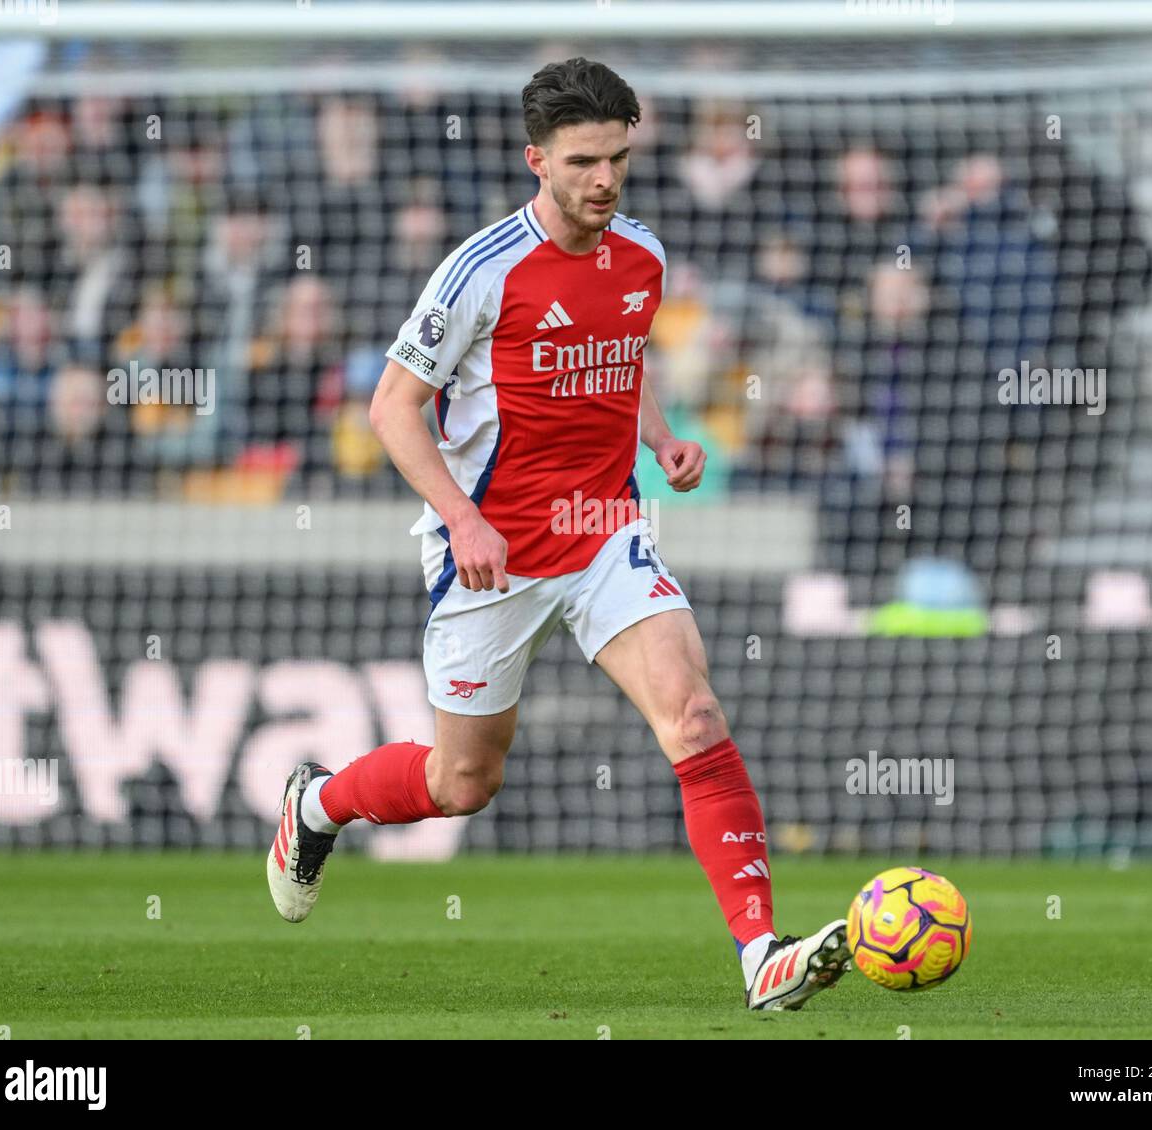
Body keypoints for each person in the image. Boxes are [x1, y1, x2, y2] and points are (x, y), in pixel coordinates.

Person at [264, 57, 851, 1011]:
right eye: (584, 162)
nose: (605, 181)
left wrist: (659, 438)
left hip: (605, 528)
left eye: (619, 158)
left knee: (693, 715)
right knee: (462, 783)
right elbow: (390, 409)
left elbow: (619, 354)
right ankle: (319, 803)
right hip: (491, 551)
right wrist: (462, 520)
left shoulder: (644, 254)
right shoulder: (477, 273)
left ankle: (761, 955)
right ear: (536, 159)